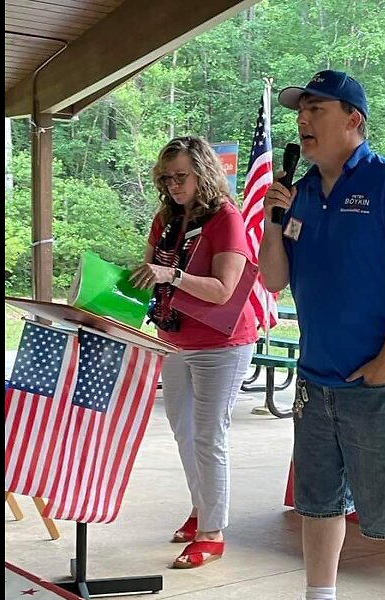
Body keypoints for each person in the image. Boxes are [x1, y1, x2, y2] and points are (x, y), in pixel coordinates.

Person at [252, 71, 385, 600]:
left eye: (316, 108)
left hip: (379, 381)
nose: (303, 120)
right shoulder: (301, 190)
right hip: (317, 377)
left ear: (353, 119)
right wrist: (272, 221)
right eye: (300, 110)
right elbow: (275, 279)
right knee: (317, 501)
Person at [130, 136, 257, 569]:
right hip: (174, 337)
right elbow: (147, 272)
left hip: (222, 343)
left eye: (181, 176)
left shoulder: (226, 218)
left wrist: (173, 274)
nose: (173, 185)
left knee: (209, 435)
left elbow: (223, 289)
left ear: (203, 171)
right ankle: (201, 508)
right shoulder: (166, 218)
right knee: (184, 432)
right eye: (166, 178)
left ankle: (213, 533)